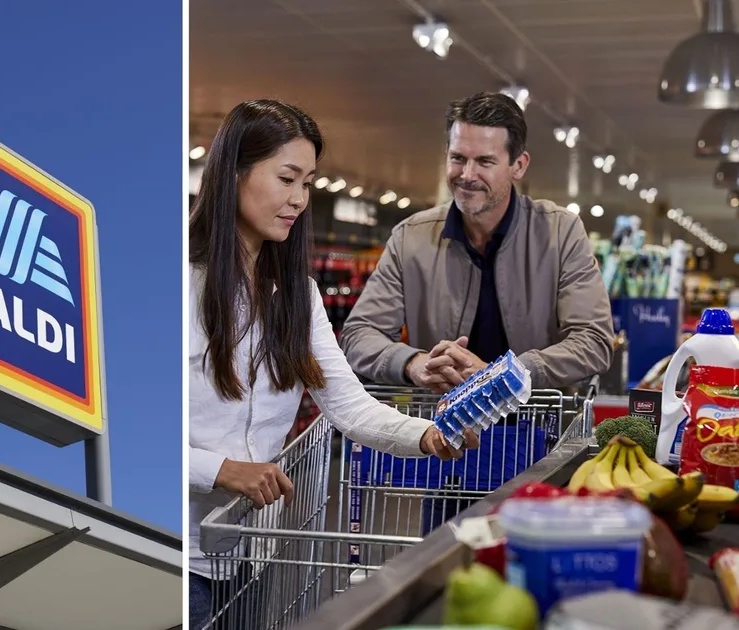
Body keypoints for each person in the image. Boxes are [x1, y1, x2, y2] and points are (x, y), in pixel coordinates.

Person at [187, 99, 479, 630]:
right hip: (180, 554)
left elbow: (348, 406)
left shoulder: (297, 295)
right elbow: (132, 428)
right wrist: (220, 470)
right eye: (286, 179)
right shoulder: (179, 284)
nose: (299, 200)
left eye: (307, 184)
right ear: (234, 173)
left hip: (256, 551)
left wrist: (429, 435)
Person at [338, 91, 614, 533]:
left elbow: (595, 341)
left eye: (484, 161)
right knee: (446, 559)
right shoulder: (411, 238)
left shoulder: (560, 232)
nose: (466, 175)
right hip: (451, 448)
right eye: (457, 158)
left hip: (537, 448)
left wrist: (505, 376)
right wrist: (414, 363)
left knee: (526, 562)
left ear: (518, 165)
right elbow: (358, 335)